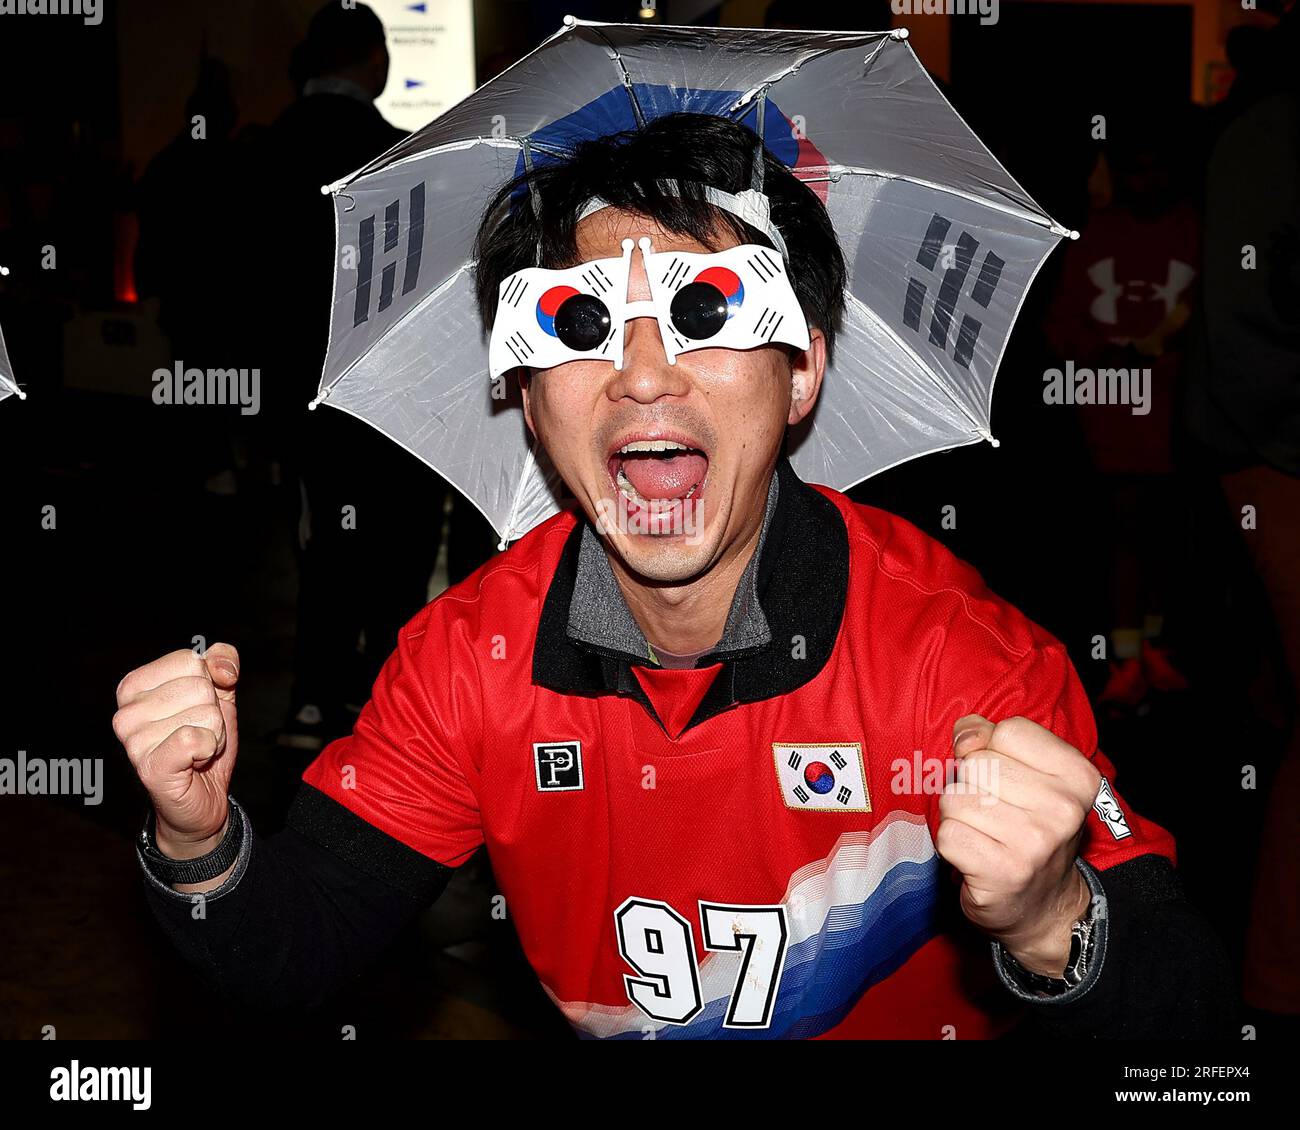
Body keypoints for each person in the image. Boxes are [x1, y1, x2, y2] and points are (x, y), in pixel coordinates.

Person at [114, 113, 1234, 1039]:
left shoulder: (952, 659)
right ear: (527, 398)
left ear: (802, 375)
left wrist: (1051, 918)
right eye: (578, 324)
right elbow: (294, 942)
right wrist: (199, 838)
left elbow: (1187, 1015)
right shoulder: (470, 659)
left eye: (709, 311)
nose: (643, 374)